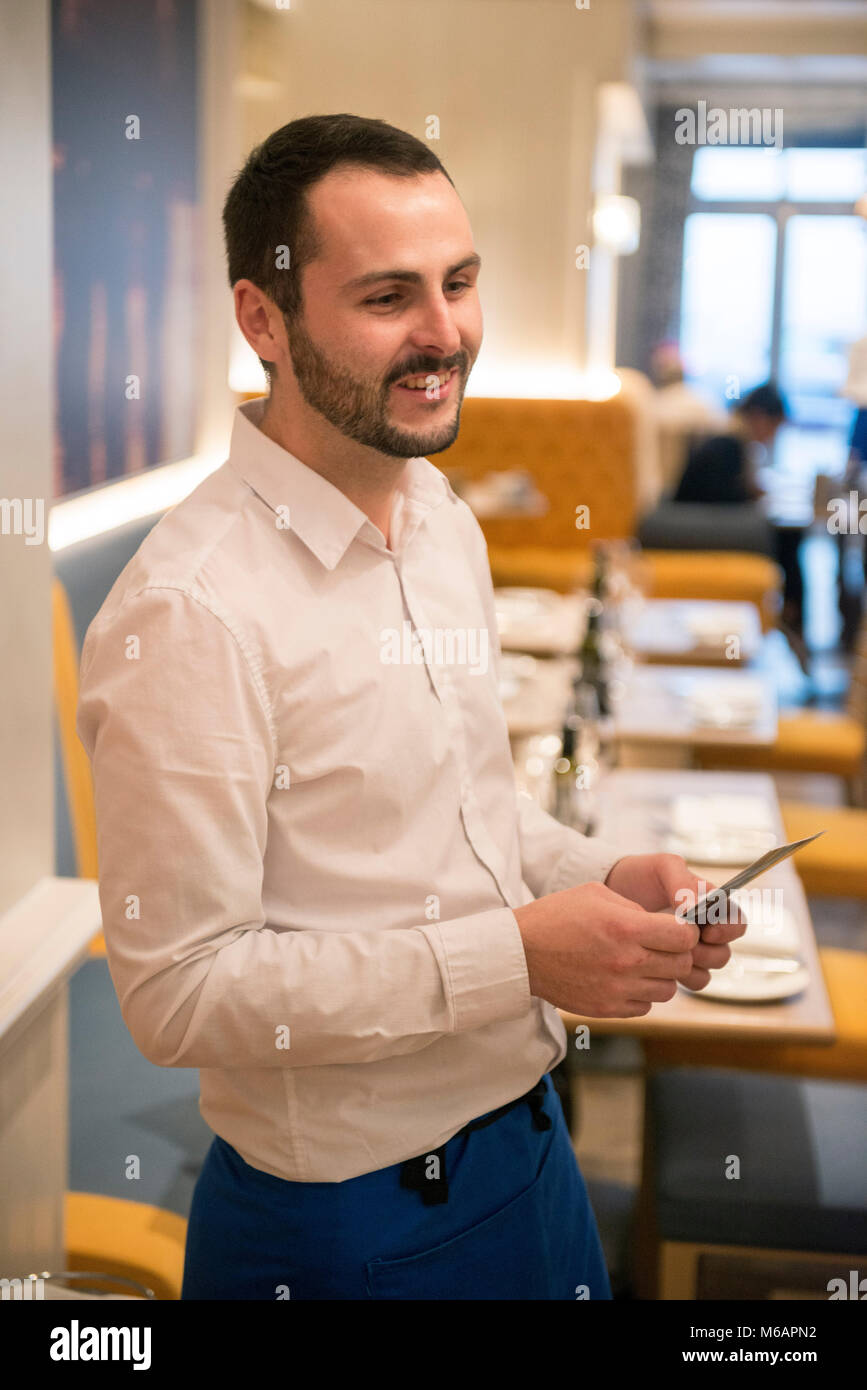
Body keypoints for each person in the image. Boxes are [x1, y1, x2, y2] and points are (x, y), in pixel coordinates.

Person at [76, 114, 744, 1302]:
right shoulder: (188, 610)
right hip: (348, 1232)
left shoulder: (439, 516)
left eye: (461, 282)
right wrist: (521, 955)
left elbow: (472, 817)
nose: (446, 334)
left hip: (534, 1160)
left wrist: (600, 877)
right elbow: (180, 993)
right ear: (263, 321)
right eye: (390, 295)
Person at [673, 382, 808, 667]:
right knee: (788, 539)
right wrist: (752, 495)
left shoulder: (734, 441)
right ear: (759, 416)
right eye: (774, 427)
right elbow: (716, 497)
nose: (772, 437)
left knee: (791, 538)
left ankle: (792, 623)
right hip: (692, 525)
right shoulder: (727, 443)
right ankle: (793, 622)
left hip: (703, 521)